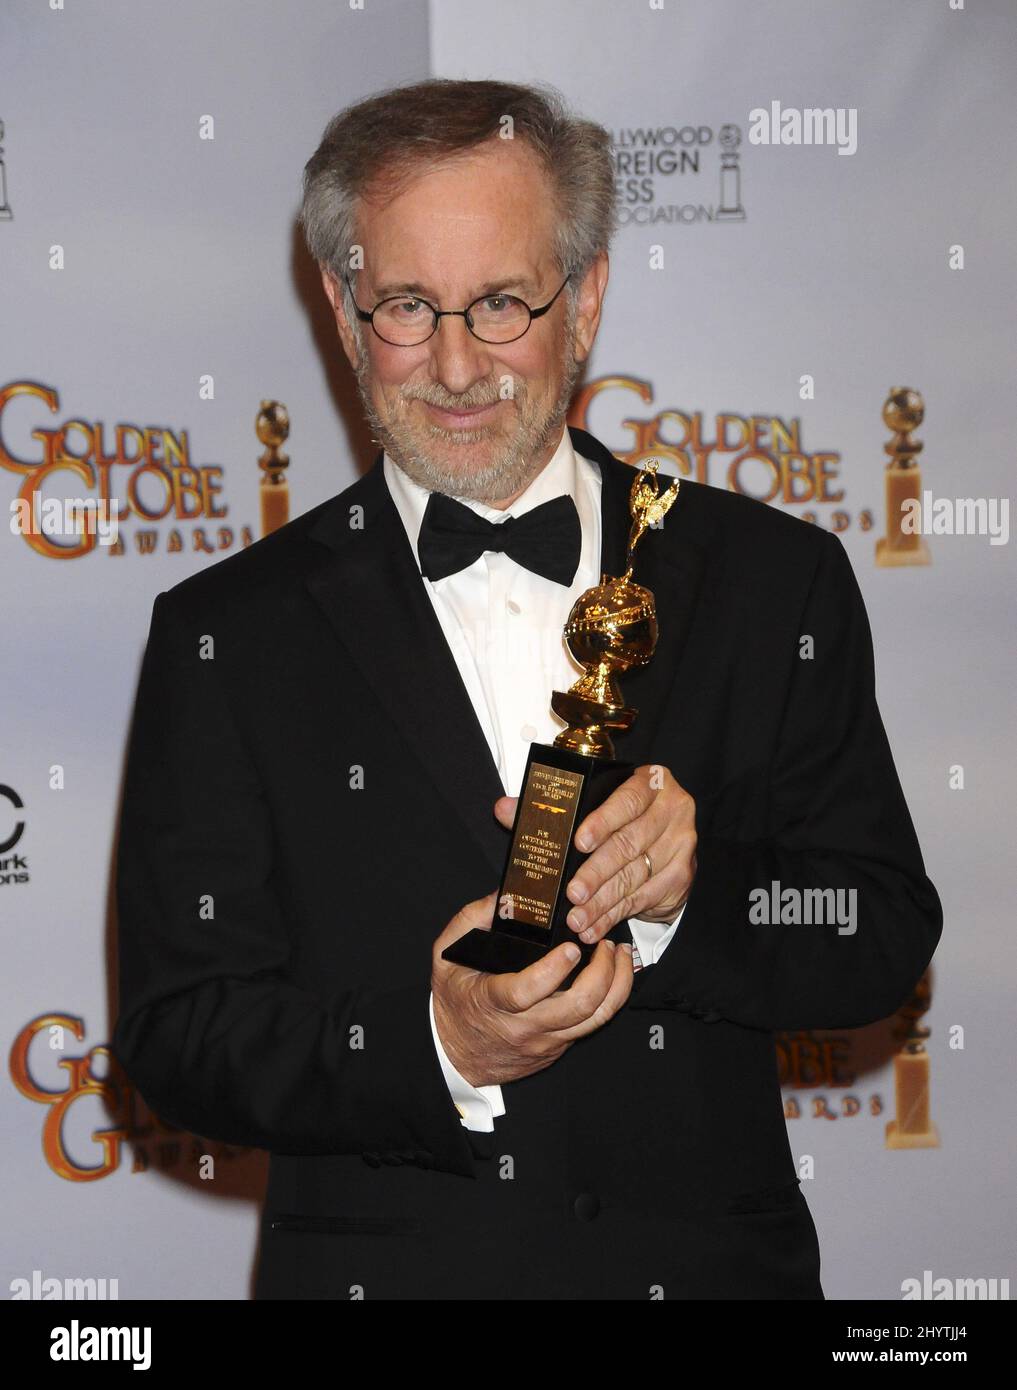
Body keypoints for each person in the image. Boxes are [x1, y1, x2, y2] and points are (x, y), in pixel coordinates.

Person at [112, 78, 942, 1300]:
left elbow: (871, 933)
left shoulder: (772, 583)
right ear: (344, 315)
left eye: (501, 302)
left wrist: (681, 903)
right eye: (406, 305)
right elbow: (180, 1036)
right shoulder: (225, 636)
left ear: (586, 297)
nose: (454, 364)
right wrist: (436, 1044)